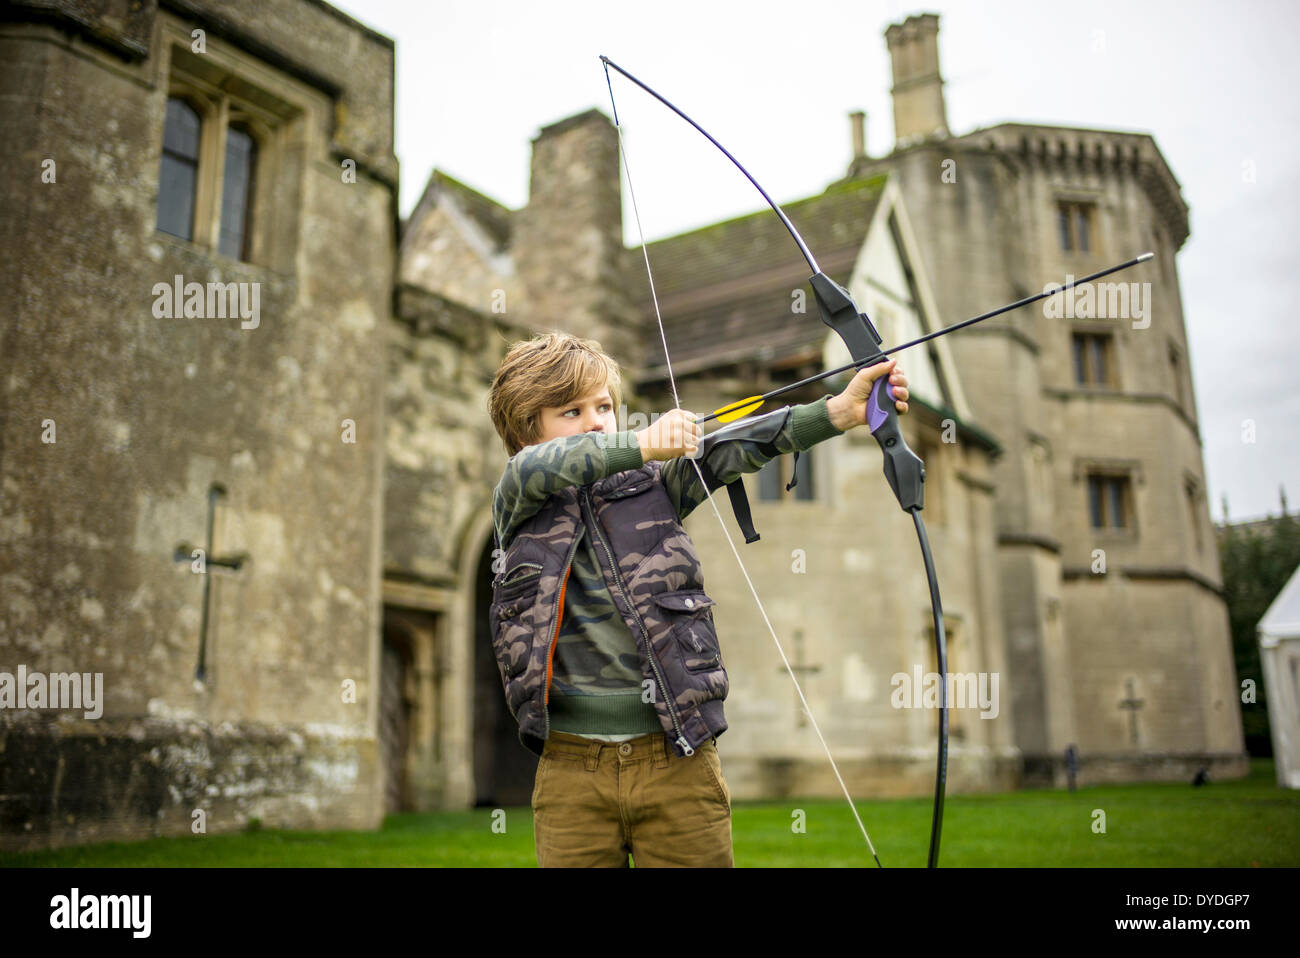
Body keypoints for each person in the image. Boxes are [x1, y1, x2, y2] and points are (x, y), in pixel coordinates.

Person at [486, 330, 909, 867]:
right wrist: (643, 442)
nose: (597, 421)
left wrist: (837, 411)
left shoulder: (653, 485)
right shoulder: (519, 497)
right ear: (527, 429)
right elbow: (544, 467)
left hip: (677, 754)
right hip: (572, 770)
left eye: (604, 406)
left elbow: (729, 447)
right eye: (571, 410)